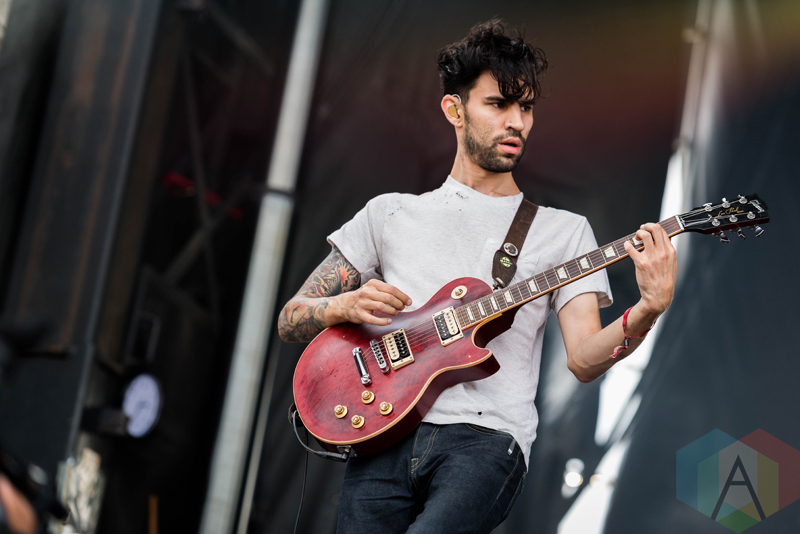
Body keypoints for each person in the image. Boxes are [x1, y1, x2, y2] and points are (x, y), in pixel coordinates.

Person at [278, 19, 677, 534]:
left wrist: (647, 310)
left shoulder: (564, 231)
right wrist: (342, 306)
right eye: (499, 104)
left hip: (486, 442)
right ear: (455, 110)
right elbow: (292, 317)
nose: (517, 122)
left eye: (526, 107)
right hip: (382, 433)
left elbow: (582, 360)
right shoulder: (389, 214)